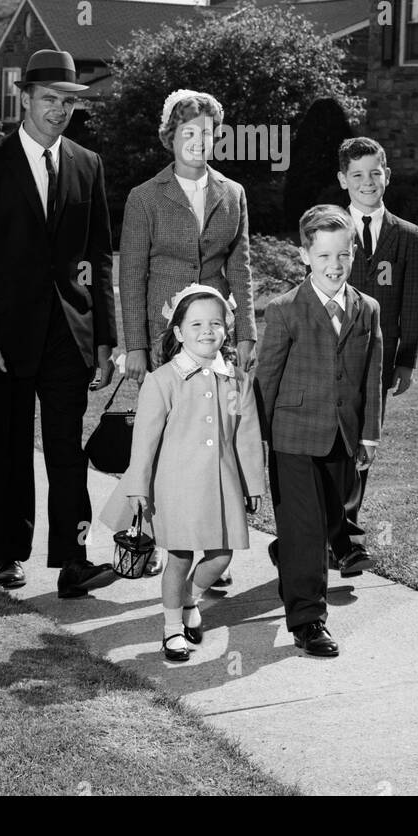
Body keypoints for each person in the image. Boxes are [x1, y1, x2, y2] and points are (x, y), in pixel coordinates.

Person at [0, 48, 119, 598]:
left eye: (68, 101)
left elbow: (100, 256)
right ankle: (6, 552)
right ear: (24, 98)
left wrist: (105, 338)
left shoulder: (88, 165)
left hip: (70, 333)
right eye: (49, 99)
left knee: (66, 447)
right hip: (2, 339)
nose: (59, 110)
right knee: (5, 446)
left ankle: (73, 559)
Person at [119, 88, 257, 587]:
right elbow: (131, 274)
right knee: (163, 444)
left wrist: (245, 334)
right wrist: (135, 344)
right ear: (170, 137)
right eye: (188, 133)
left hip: (214, 338)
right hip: (163, 340)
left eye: (207, 133)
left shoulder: (233, 193)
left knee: (214, 439)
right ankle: (162, 540)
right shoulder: (144, 197)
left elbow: (239, 266)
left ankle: (213, 546)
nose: (198, 141)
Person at [101, 285, 265, 663]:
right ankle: (172, 628)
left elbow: (247, 434)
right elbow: (144, 440)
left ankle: (190, 599)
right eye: (196, 324)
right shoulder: (163, 381)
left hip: (222, 485)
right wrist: (138, 485)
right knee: (179, 557)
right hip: (175, 487)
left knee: (222, 554)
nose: (207, 331)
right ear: (178, 332)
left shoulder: (236, 379)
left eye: (215, 323)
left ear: (226, 328)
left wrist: (253, 482)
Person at [255, 205, 383, 658]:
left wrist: (369, 434)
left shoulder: (367, 309)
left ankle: (289, 559)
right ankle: (309, 619)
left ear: (353, 255)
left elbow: (371, 375)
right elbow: (265, 381)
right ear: (306, 255)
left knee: (330, 521)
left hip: (343, 438)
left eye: (343, 255)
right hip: (292, 437)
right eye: (324, 255)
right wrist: (256, 443)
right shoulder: (285, 310)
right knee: (307, 529)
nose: (335, 265)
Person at [330, 136, 418, 570]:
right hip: (331, 360)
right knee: (330, 445)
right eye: (357, 175)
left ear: (387, 175)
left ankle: (347, 533)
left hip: (379, 361)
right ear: (343, 181)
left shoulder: (406, 236)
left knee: (364, 444)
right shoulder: (330, 230)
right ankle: (330, 532)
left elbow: (411, 302)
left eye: (375, 173)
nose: (367, 182)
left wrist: (406, 359)